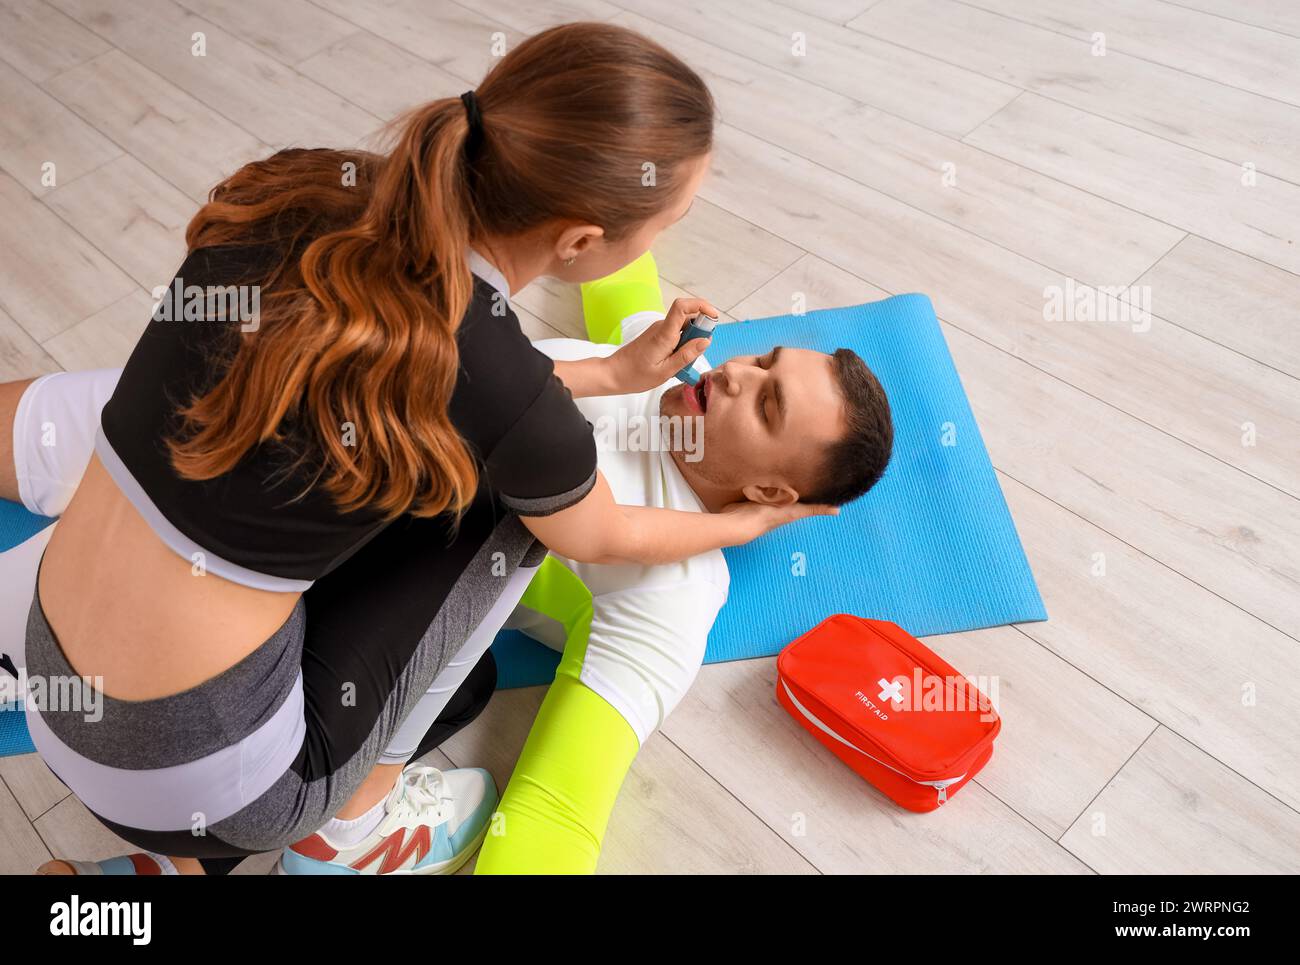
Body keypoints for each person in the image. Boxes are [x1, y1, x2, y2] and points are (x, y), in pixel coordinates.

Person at [0, 22, 829, 876]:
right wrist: (744, 528)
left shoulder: (307, 184)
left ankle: (149, 879)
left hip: (44, 662)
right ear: (582, 241)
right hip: (194, 775)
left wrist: (611, 372)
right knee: (511, 499)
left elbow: (445, 370)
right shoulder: (511, 395)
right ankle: (346, 841)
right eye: (664, 225)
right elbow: (600, 532)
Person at [468, 252, 893, 873]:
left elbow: (558, 812)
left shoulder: (672, 597)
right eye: (764, 359)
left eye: (767, 406)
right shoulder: (676, 369)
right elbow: (626, 264)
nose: (735, 374)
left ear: (772, 495)